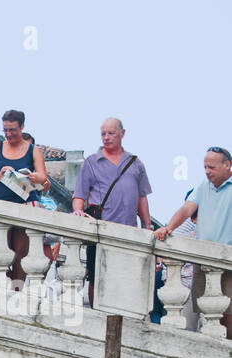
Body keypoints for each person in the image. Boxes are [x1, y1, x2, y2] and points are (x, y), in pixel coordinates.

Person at [73, 118, 152, 301]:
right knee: (96, 276)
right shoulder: (92, 162)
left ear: (122, 134)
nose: (106, 138)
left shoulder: (135, 163)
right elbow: (80, 194)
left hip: (128, 231)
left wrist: (147, 225)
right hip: (100, 229)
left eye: (111, 133)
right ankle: (96, 312)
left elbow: (141, 197)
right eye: (103, 134)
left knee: (124, 279)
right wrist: (78, 211)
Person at [156, 146, 232, 336]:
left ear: (227, 165)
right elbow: (187, 209)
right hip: (203, 260)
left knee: (228, 314)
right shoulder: (202, 187)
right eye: (205, 167)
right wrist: (169, 227)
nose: (207, 172)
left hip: (228, 261)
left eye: (212, 167)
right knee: (204, 310)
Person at [0, 110, 48, 283]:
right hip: (0, 205)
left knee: (20, 255)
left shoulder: (34, 150)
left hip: (24, 205)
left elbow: (43, 178)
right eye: (6, 130)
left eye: (13, 130)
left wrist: (32, 176)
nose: (9, 134)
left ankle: (16, 293)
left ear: (22, 127)